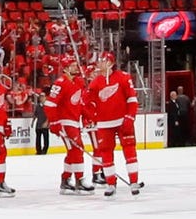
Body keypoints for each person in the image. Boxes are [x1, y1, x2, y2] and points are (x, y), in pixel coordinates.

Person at [88, 55, 140, 196]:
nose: (99, 63)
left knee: (129, 149)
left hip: (122, 120)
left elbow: (132, 99)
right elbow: (90, 103)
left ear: (110, 63)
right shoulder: (96, 82)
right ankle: (110, 183)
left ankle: (134, 181)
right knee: (105, 152)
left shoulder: (123, 77)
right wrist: (91, 117)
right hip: (104, 124)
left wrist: (130, 116)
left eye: (102, 61)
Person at [53, 59, 91, 194]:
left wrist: (89, 116)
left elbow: (79, 104)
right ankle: (79, 180)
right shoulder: (60, 83)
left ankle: (66, 179)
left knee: (73, 151)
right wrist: (54, 122)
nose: (77, 67)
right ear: (66, 68)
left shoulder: (77, 83)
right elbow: (50, 105)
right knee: (77, 149)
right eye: (73, 65)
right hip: (65, 122)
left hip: (74, 122)